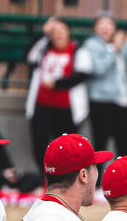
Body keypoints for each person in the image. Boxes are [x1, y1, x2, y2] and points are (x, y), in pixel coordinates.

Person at [82, 13, 127, 182]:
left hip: (123, 101)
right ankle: (97, 183)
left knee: (123, 145)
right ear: (95, 28)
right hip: (101, 101)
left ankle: (124, 182)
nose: (105, 28)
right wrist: (114, 50)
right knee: (100, 144)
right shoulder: (91, 45)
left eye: (109, 24)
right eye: (101, 24)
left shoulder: (122, 45)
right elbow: (99, 69)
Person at [25, 16, 90, 170]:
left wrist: (56, 84)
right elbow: (29, 55)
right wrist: (43, 34)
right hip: (42, 105)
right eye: (54, 31)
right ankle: (45, 176)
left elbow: (82, 75)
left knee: (66, 148)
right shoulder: (44, 50)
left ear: (69, 32)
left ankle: (64, 178)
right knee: (40, 143)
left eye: (62, 30)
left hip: (66, 109)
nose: (58, 34)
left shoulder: (77, 50)